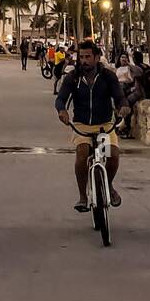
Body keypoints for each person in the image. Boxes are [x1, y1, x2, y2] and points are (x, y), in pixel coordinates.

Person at [55, 41, 126, 212]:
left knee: (113, 156)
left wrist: (124, 106)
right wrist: (62, 110)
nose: (84, 60)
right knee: (82, 154)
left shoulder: (108, 76)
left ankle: (108, 185)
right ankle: (82, 197)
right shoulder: (73, 77)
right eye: (81, 57)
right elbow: (61, 99)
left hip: (104, 126)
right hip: (82, 125)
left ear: (96, 57)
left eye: (88, 57)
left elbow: (119, 96)